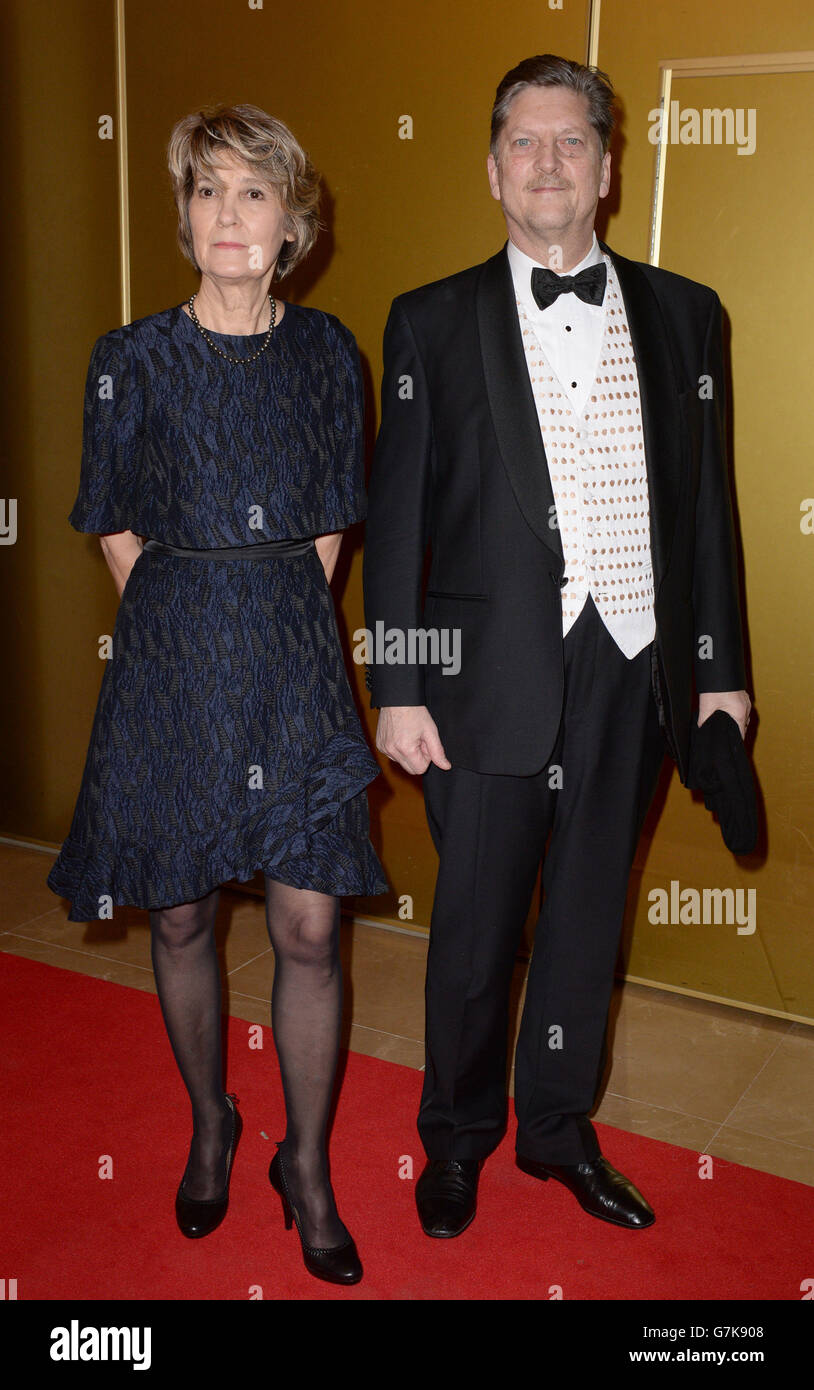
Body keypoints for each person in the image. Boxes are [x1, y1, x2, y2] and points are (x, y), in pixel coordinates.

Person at [362, 54, 750, 1239]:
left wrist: (720, 672)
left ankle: (557, 1129)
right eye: (523, 142)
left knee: (587, 919)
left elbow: (710, 515)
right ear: (491, 169)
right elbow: (402, 517)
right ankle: (458, 1136)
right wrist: (398, 681)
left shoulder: (689, 314)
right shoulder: (429, 316)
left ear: (607, 166)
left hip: (632, 670)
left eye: (570, 140)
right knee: (475, 930)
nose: (547, 162)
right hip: (484, 683)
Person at [47, 103, 388, 1286]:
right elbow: (113, 524)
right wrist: (198, 627)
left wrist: (274, 623)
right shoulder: (128, 359)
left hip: (292, 662)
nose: (227, 214)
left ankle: (307, 1163)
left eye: (252, 192)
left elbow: (337, 523)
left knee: (307, 922)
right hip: (173, 659)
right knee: (183, 913)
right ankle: (210, 1122)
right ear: (185, 215)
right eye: (206, 191)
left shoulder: (329, 351)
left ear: (292, 220)